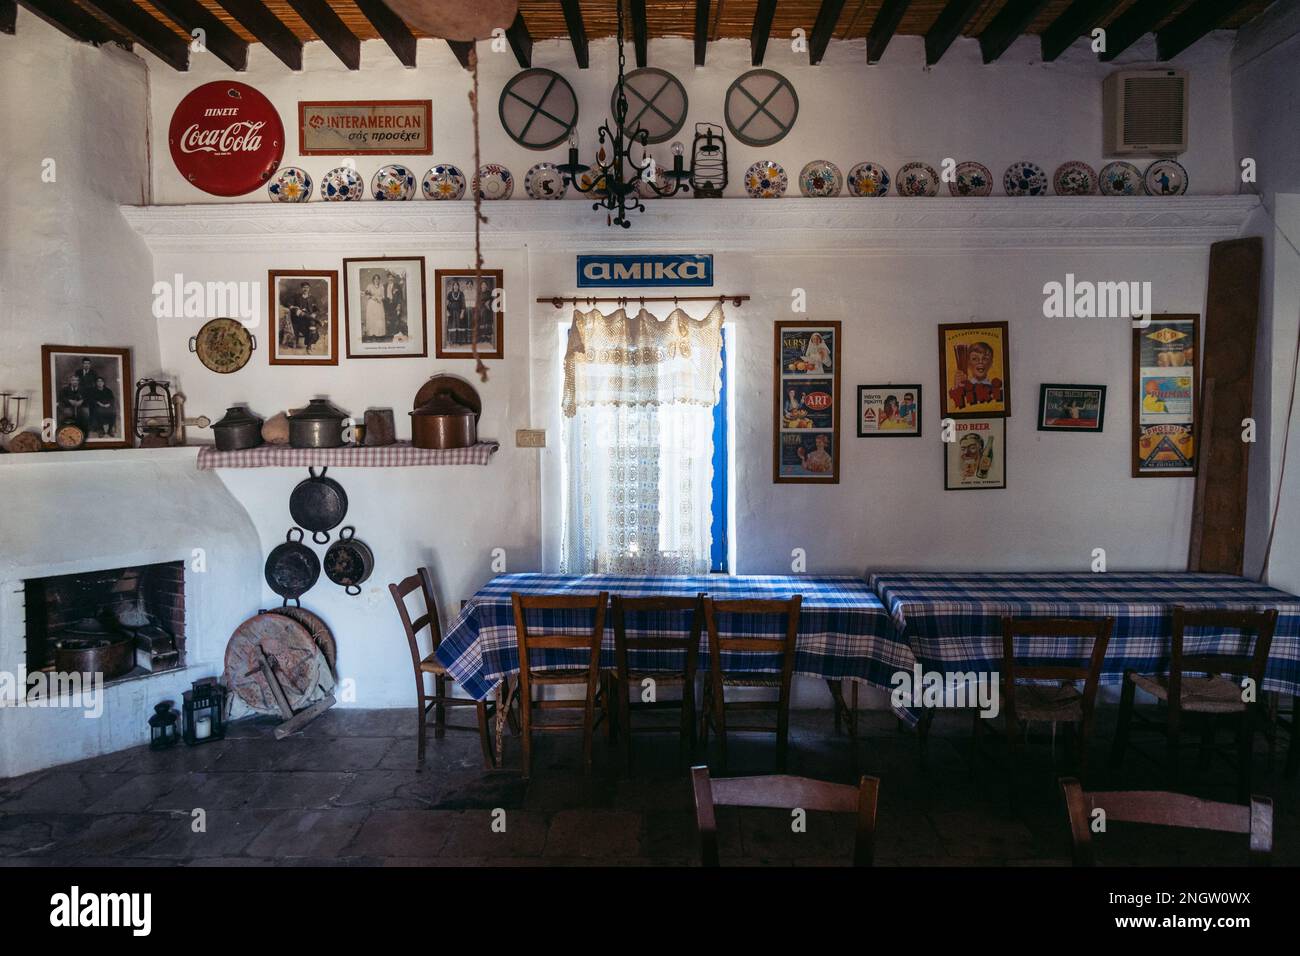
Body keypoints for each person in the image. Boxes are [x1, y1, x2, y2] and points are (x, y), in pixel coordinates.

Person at [950, 340, 1003, 410]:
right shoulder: (964, 387)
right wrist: (957, 389)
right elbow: (955, 410)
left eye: (985, 358)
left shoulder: (996, 389)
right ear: (968, 363)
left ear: (991, 363)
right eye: (975, 359)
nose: (980, 362)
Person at [285, 281, 322, 353]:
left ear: (309, 289)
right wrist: (294, 308)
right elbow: (288, 304)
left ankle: (308, 346)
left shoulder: (312, 298)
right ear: (301, 288)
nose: (306, 289)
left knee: (312, 325)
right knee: (308, 319)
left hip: (308, 319)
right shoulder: (296, 297)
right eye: (304, 287)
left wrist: (314, 313)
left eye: (307, 287)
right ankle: (316, 321)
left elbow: (317, 310)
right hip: (299, 319)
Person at [362, 272, 387, 340]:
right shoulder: (369, 286)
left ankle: (379, 334)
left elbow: (383, 296)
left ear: (379, 280)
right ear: (373, 280)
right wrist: (372, 297)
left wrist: (379, 299)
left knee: (379, 319)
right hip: (371, 305)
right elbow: (366, 294)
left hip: (379, 304)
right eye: (375, 279)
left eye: (378, 279)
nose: (376, 280)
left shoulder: (381, 286)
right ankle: (372, 334)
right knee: (372, 318)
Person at [445, 280, 466, 345]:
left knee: (460, 325)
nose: (455, 286)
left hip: (459, 312)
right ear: (453, 286)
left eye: (457, 285)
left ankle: (460, 341)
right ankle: (452, 341)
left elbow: (463, 303)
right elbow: (446, 303)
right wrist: (447, 311)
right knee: (452, 326)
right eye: (454, 285)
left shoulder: (461, 293)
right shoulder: (449, 294)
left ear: (458, 286)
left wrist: (462, 313)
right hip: (451, 312)